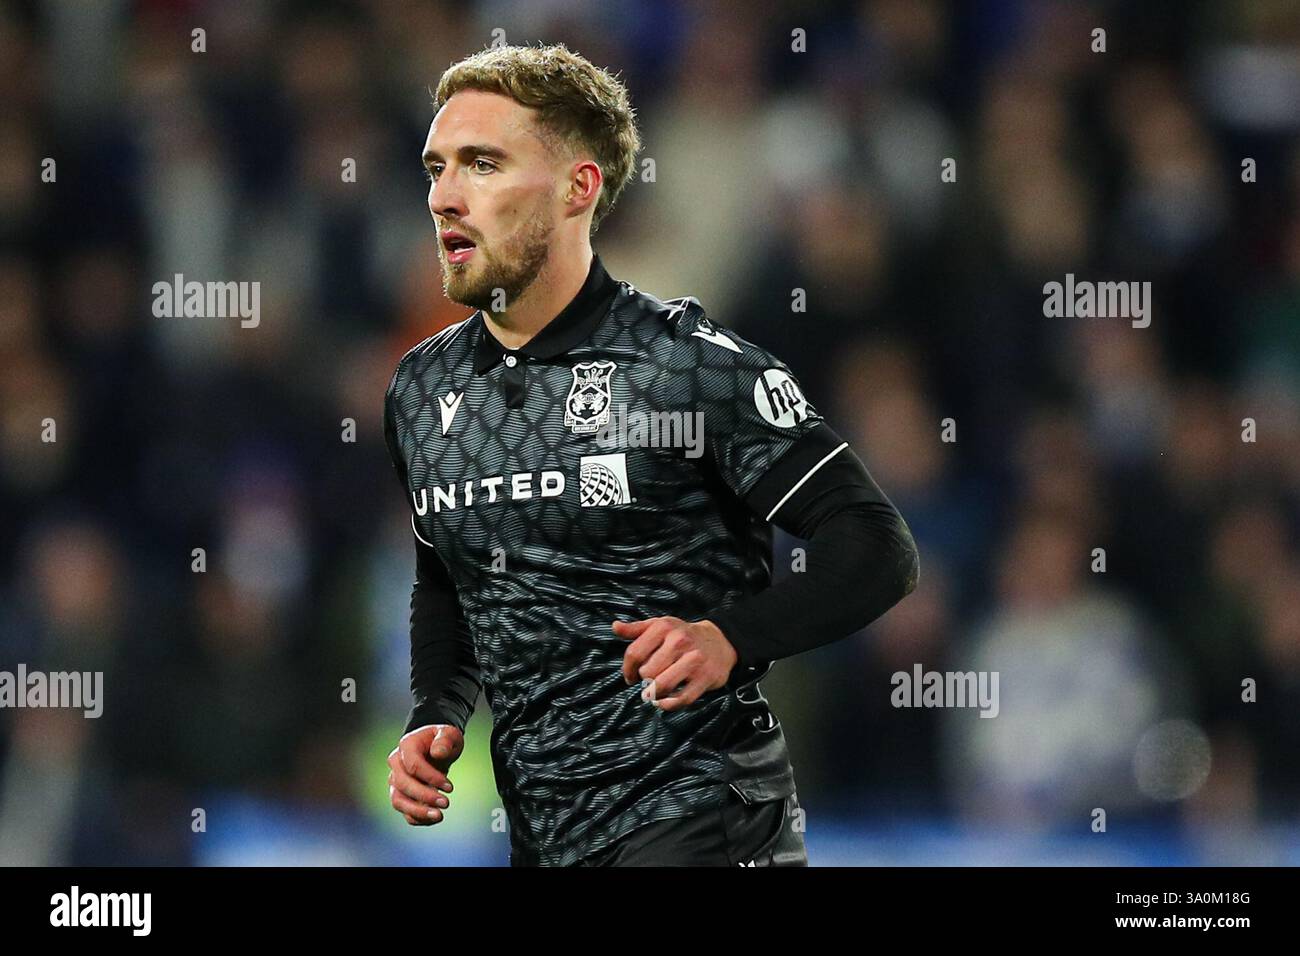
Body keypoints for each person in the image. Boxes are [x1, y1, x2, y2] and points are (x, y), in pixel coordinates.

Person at [383, 43, 919, 866]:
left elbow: (875, 545)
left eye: (482, 165)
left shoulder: (690, 368)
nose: (445, 197)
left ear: (578, 188)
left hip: (703, 816)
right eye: (437, 167)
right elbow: (445, 579)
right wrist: (438, 710)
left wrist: (731, 635)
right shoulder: (423, 389)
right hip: (545, 837)